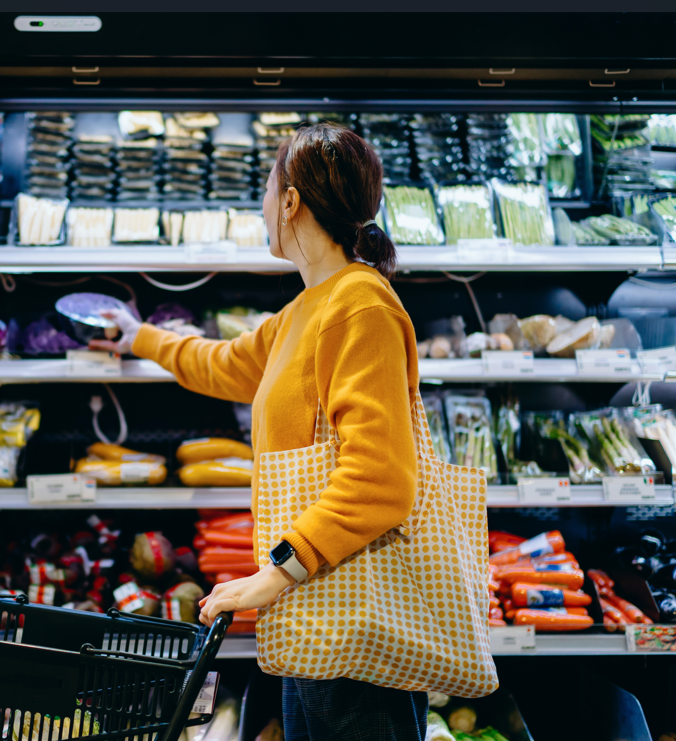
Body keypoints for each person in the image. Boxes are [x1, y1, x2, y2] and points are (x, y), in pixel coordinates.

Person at [91, 123, 426, 741]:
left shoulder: (362, 307)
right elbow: (220, 364)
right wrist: (136, 335)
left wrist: (273, 573)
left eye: (268, 190)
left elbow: (381, 479)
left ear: (292, 201)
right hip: (318, 614)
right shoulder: (306, 310)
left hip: (357, 626)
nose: (263, 206)